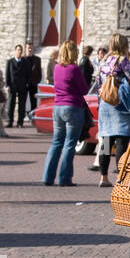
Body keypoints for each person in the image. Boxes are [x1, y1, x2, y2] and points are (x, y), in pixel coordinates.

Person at [95, 34, 130, 186]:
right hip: (119, 103)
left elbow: (98, 82)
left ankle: (103, 177)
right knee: (122, 139)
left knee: (106, 141)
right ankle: (120, 176)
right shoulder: (122, 60)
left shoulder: (103, 61)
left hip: (105, 103)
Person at [41, 40, 88, 186]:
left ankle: (47, 177)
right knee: (69, 144)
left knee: (56, 142)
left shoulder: (56, 68)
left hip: (58, 107)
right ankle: (64, 178)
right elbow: (84, 89)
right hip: (72, 106)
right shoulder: (74, 69)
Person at [4, 44, 28, 128]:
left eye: (21, 50)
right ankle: (10, 122)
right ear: (15, 51)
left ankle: (20, 122)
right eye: (18, 50)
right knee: (11, 104)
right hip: (12, 86)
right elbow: (7, 74)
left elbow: (27, 74)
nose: (20, 51)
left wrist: (26, 83)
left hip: (22, 86)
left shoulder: (25, 61)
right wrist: (7, 85)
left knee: (22, 105)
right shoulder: (10, 61)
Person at [22, 42, 43, 126]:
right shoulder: (23, 59)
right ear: (25, 49)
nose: (30, 50)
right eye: (28, 48)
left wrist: (37, 81)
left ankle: (33, 119)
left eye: (31, 48)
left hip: (33, 83)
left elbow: (39, 73)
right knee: (22, 101)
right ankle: (21, 119)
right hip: (24, 84)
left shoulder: (37, 59)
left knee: (33, 102)